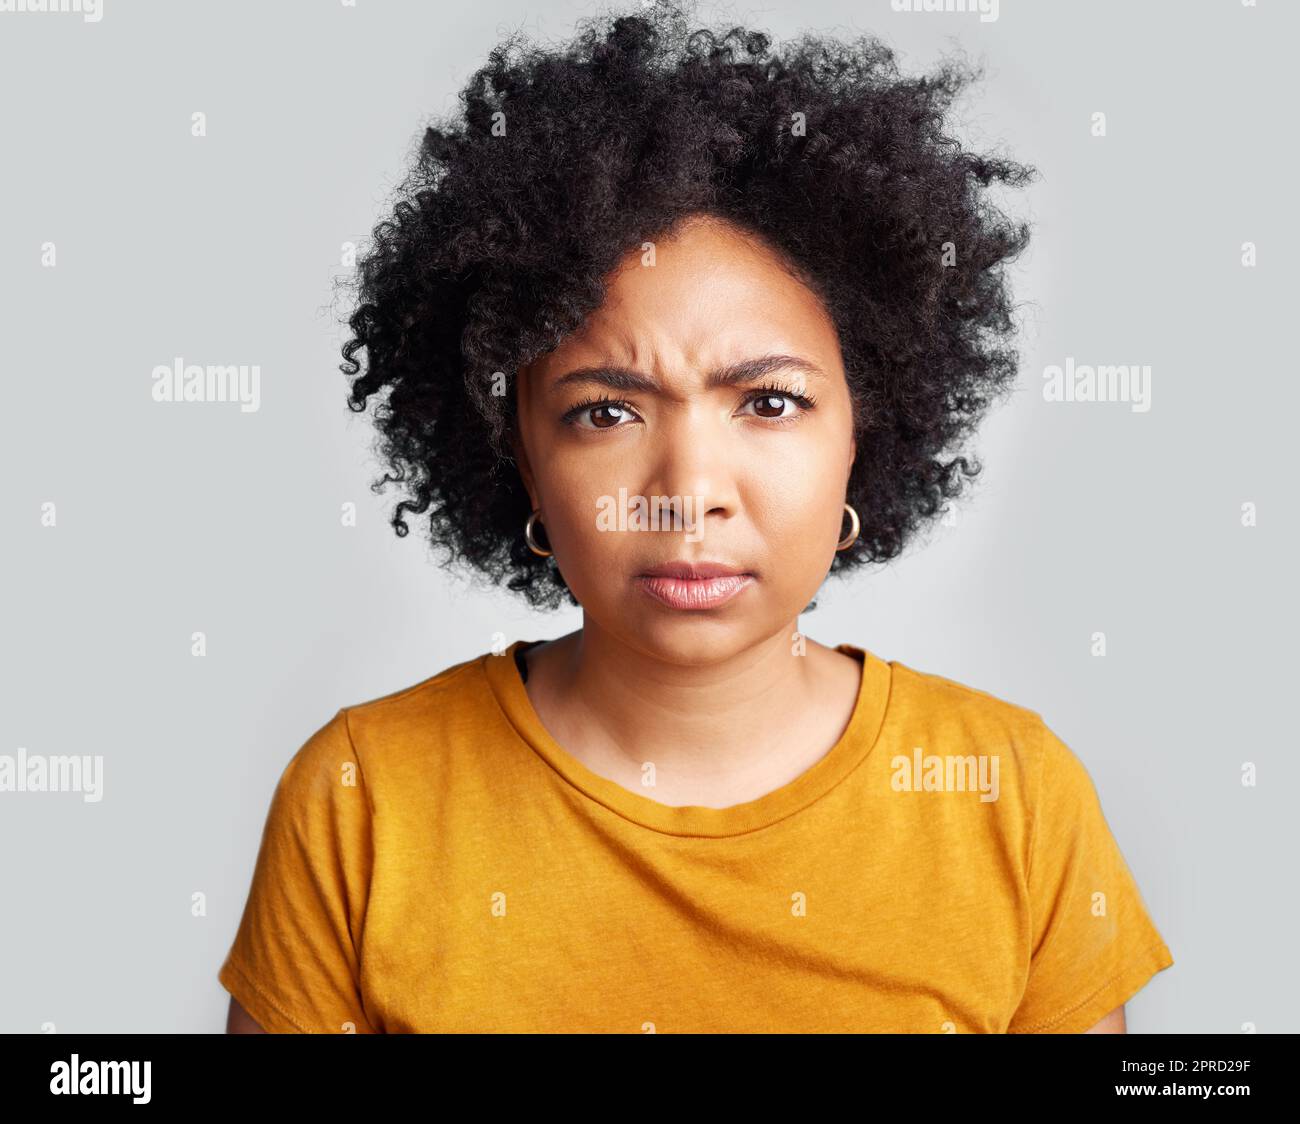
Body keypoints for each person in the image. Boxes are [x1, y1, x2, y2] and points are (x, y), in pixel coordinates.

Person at [220, 0, 1172, 1033]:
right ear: (518, 455)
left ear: (868, 428)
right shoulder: (364, 797)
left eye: (769, 402)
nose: (687, 489)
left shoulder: (1012, 792)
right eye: (606, 410)